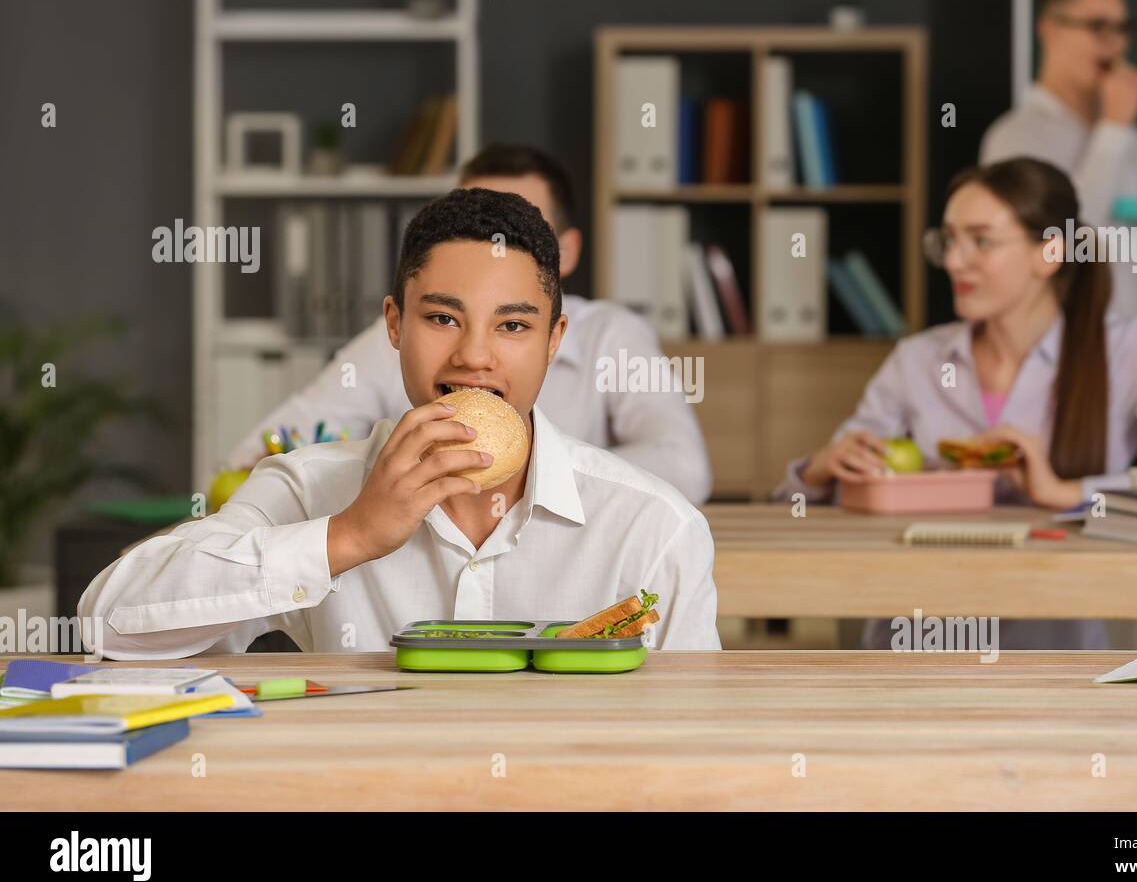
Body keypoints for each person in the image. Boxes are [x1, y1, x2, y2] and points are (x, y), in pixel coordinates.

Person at [81, 188, 721, 658]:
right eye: (442, 319)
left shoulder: (653, 529)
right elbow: (109, 621)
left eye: (514, 325)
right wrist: (349, 536)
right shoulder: (311, 489)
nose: (474, 355)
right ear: (394, 324)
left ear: (555, 340)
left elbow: (697, 738)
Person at [776, 158, 1137, 650]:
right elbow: (792, 505)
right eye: (949, 240)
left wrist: (1067, 490)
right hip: (916, 648)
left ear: (1048, 253)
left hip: (1058, 657)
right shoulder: (918, 360)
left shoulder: (1129, 352)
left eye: (980, 240)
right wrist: (823, 468)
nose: (954, 261)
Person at [224, 144, 712, 505]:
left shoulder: (613, 335)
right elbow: (265, 451)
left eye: (521, 230)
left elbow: (685, 467)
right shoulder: (401, 335)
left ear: (565, 251)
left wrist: (538, 475)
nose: (474, 356)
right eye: (473, 222)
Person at [980, 0, 1137, 320]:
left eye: (1122, 29)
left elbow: (1124, 272)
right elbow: (1058, 249)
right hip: (1058, 363)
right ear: (1049, 29)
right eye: (1098, 26)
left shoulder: (1130, 138)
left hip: (1131, 361)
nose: (1113, 44)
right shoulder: (1013, 138)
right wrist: (1113, 129)